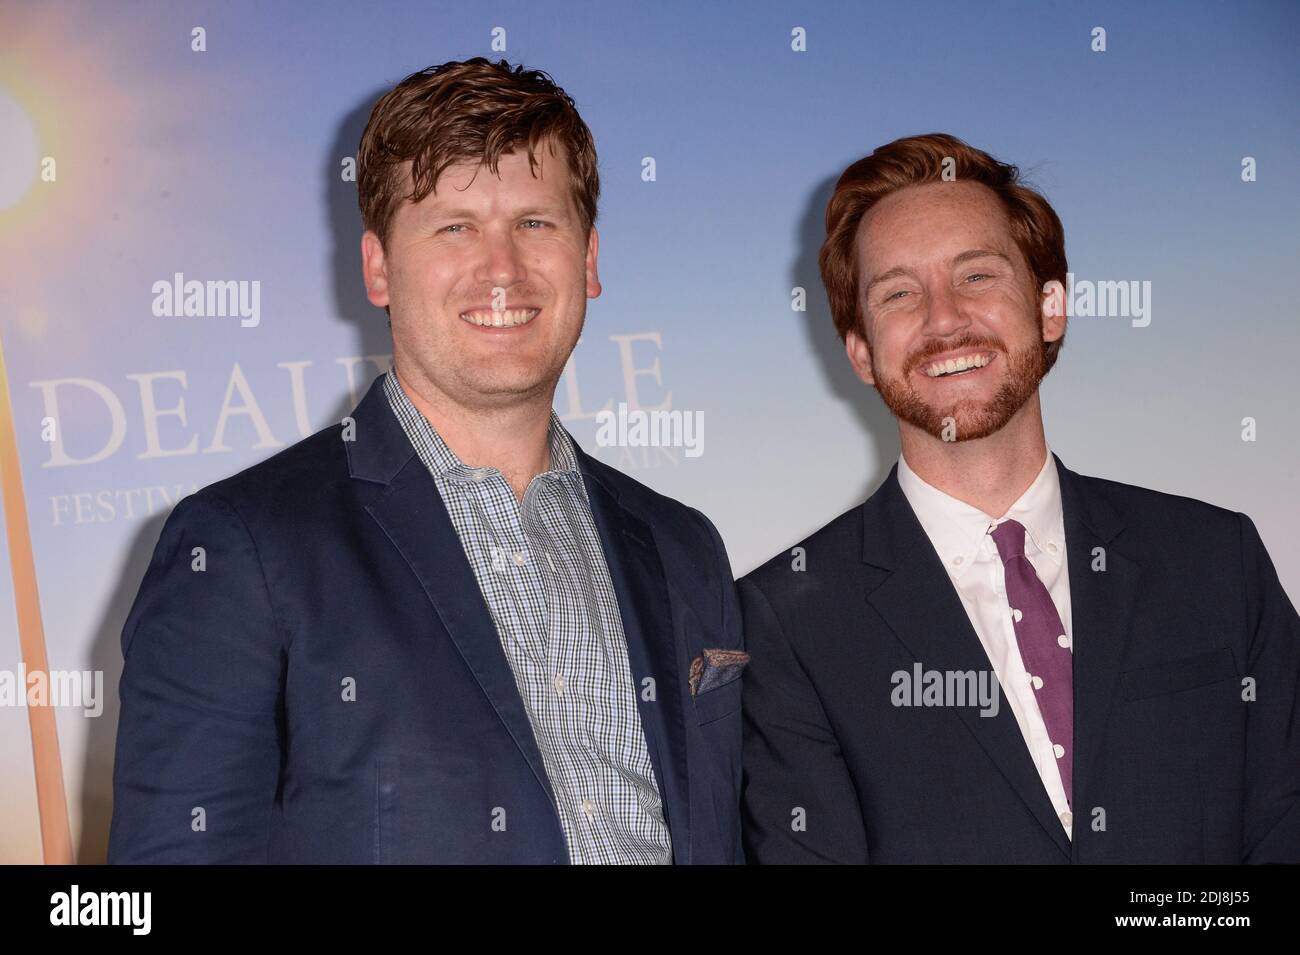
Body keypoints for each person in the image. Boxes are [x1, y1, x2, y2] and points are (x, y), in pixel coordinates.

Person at [108, 58, 744, 864]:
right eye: (454, 226)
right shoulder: (239, 547)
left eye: (536, 223)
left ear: (588, 258)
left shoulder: (685, 547)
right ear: (377, 268)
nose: (502, 269)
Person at [740, 133, 1300, 863]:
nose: (944, 319)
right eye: (900, 293)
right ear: (861, 354)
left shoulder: (1215, 560)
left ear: (1050, 307)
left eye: (976, 276)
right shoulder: (784, 623)